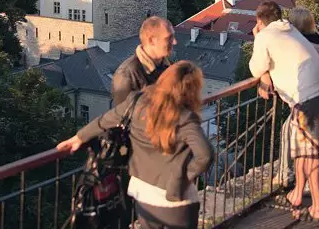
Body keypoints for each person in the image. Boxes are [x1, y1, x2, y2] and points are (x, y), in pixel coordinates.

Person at [57, 61, 214, 229]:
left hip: (143, 192)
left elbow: (106, 120)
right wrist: (183, 178)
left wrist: (79, 137)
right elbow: (205, 155)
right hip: (175, 199)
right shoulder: (185, 118)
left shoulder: (138, 101)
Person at [249, 1, 319, 223]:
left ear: (259, 21)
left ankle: (318, 208)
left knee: (309, 156)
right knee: (302, 152)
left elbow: (257, 67)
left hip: (307, 99)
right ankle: (297, 194)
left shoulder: (265, 36)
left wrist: (258, 38)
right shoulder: (290, 28)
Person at [111, 16, 176, 106]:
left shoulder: (171, 67)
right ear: (151, 40)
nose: (174, 42)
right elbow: (122, 117)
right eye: (169, 38)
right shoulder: (126, 75)